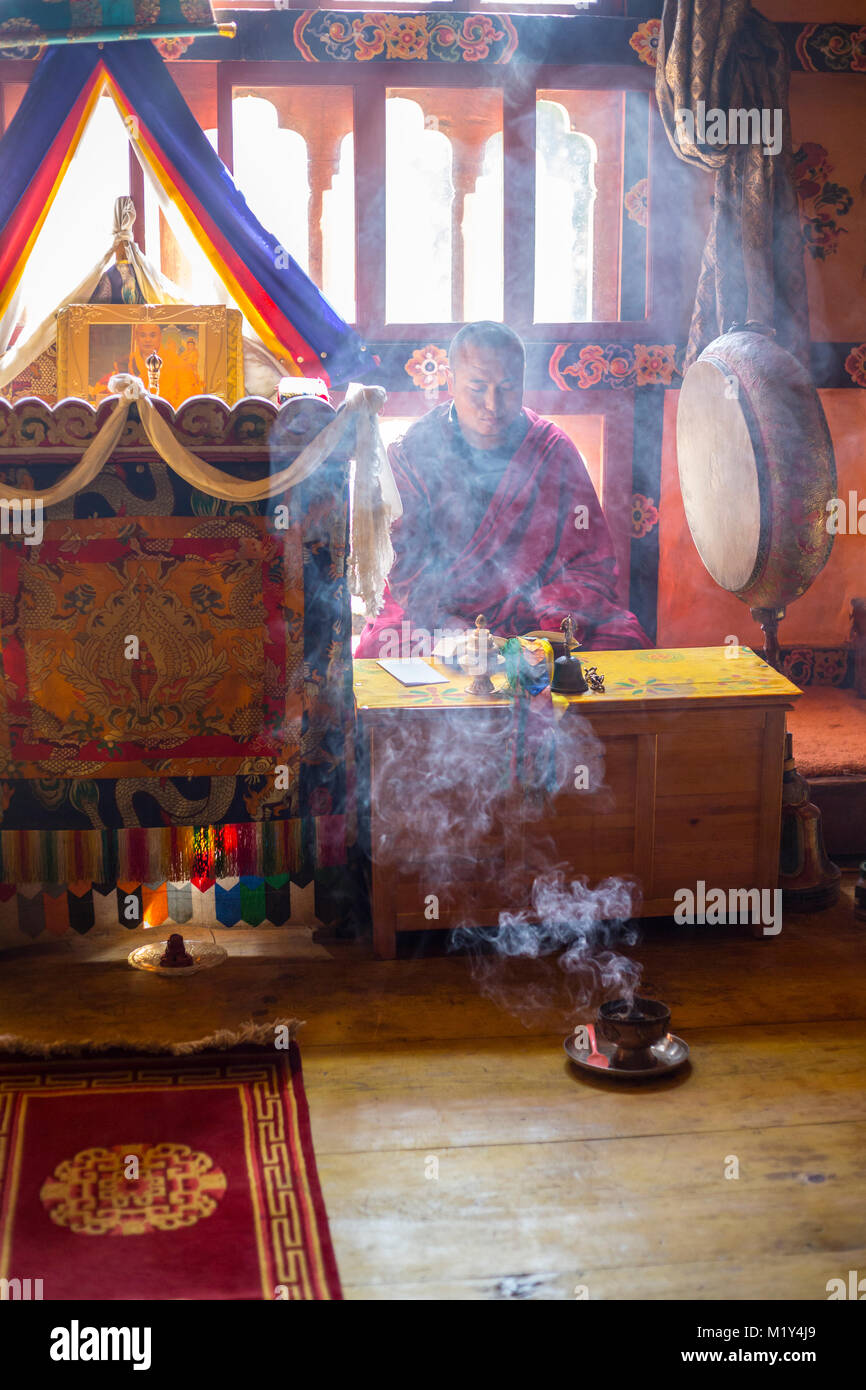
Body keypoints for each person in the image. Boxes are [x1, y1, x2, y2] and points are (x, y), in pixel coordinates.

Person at [355, 321, 650, 657]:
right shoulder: (411, 453)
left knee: (624, 639)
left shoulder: (551, 449)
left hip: (536, 616)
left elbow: (588, 561)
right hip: (441, 619)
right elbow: (400, 562)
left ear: (523, 381)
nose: (493, 405)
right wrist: (448, 623)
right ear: (450, 381)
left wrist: (548, 622)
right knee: (383, 647)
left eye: (507, 387)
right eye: (477, 388)